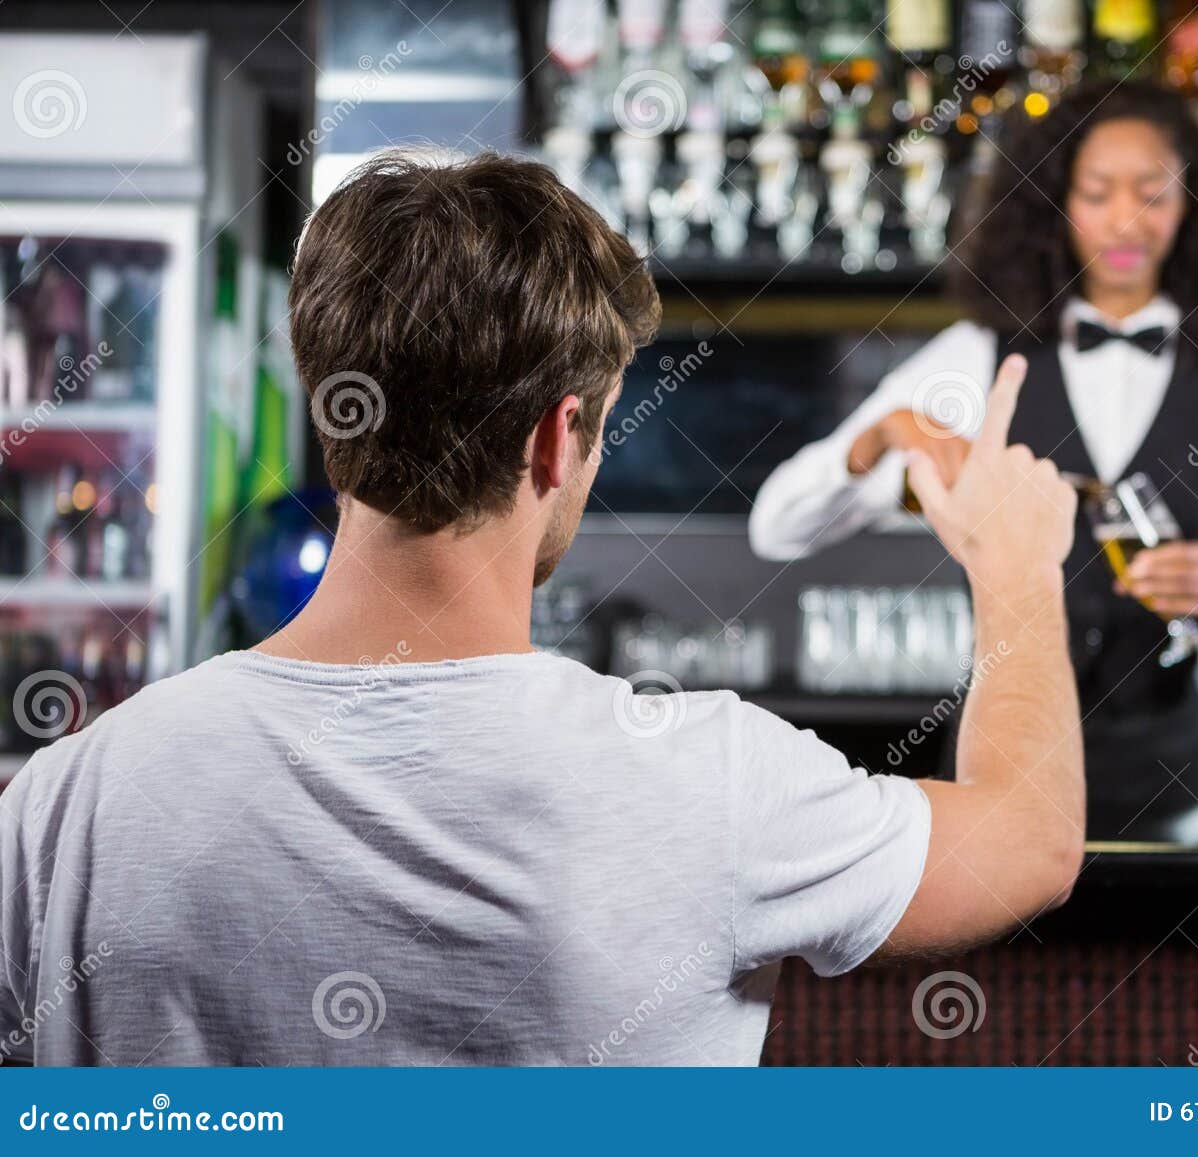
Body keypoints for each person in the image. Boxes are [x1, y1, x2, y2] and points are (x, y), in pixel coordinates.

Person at [0, 152, 1084, 1066]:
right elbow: (1031, 841)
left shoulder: (65, 804)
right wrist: (1017, 564)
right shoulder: (709, 780)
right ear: (557, 438)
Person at [750, 81, 1198, 826]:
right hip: (998, 782)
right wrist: (877, 439)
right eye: (1098, 193)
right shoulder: (977, 357)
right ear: (1057, 204)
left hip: (1169, 784)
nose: (1125, 220)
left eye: (1154, 194)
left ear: (1193, 204)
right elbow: (777, 527)